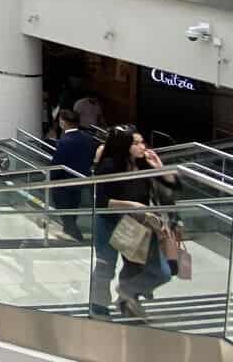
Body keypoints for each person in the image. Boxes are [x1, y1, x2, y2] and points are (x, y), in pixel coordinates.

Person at [90, 127, 178, 319]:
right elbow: (102, 203)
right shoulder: (110, 166)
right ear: (124, 146)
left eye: (142, 142)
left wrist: (159, 167)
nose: (142, 147)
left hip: (137, 225)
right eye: (135, 143)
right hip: (110, 224)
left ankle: (126, 293)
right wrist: (134, 205)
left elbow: (172, 187)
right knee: (106, 266)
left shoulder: (144, 164)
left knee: (160, 271)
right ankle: (98, 305)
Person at [50, 109, 95, 241]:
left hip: (64, 181)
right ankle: (68, 230)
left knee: (64, 208)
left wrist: (51, 177)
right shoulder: (88, 138)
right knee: (73, 206)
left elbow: (58, 162)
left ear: (63, 122)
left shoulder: (65, 141)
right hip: (81, 178)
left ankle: (73, 233)